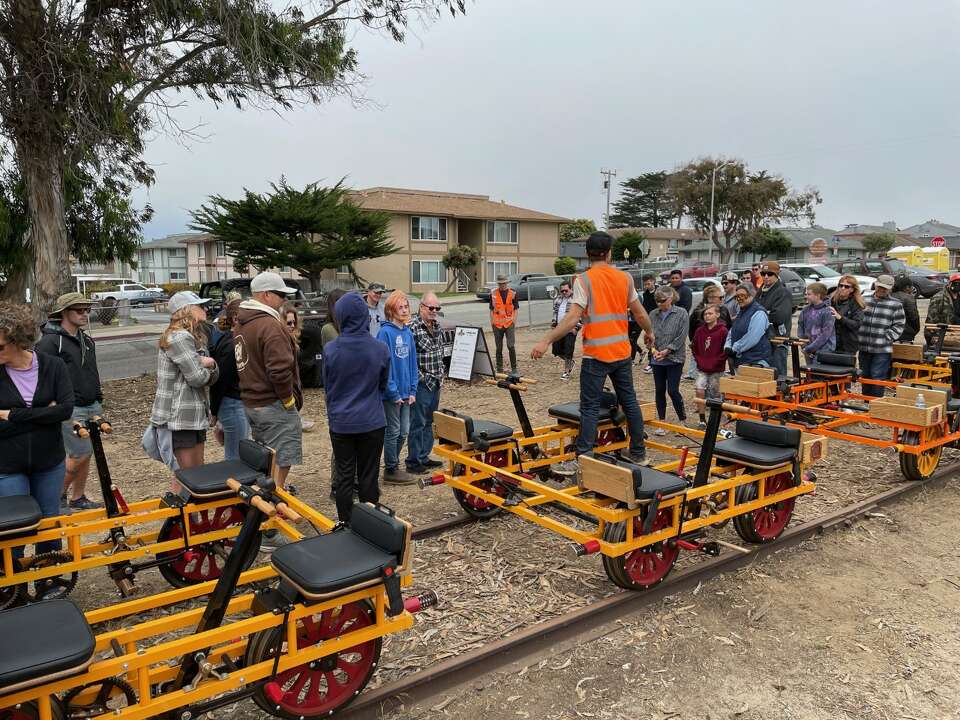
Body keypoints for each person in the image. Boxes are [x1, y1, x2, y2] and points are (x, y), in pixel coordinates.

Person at [531, 231, 654, 473]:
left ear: (587, 255)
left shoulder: (584, 280)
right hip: (621, 352)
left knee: (589, 407)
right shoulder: (625, 278)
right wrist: (649, 332)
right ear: (609, 253)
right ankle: (638, 452)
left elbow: (572, 318)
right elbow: (639, 314)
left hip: (596, 354)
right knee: (629, 401)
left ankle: (584, 457)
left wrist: (545, 340)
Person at [0, 301, 74, 560]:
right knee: (14, 526)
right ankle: (12, 586)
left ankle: (50, 580)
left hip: (49, 462)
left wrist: (13, 415)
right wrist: (45, 414)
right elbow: (55, 413)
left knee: (49, 522)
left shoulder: (53, 367)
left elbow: (65, 410)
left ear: (18, 339)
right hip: (7, 466)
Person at [235, 271, 302, 503]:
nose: (284, 299)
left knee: (265, 460)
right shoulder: (269, 325)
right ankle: (270, 518)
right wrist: (288, 400)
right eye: (280, 294)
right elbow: (279, 370)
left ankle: (260, 509)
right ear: (265, 295)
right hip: (272, 403)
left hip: (253, 401)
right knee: (280, 461)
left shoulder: (243, 323)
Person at [323, 292, 391, 522]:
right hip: (372, 420)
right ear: (364, 316)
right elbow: (383, 384)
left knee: (344, 477)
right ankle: (370, 525)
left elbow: (328, 387)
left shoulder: (331, 350)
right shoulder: (380, 348)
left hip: (342, 422)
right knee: (368, 477)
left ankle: (345, 523)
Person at [36, 292, 103, 512]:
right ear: (64, 313)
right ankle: (55, 499)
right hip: (68, 407)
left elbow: (91, 370)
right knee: (79, 454)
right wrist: (52, 403)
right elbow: (41, 376)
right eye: (79, 310)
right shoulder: (50, 342)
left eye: (87, 310)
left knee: (87, 454)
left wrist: (98, 396)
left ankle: (78, 497)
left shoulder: (86, 339)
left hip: (92, 404)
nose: (85, 314)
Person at [149, 291, 219, 476]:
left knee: (196, 473)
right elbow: (197, 378)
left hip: (191, 416)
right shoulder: (180, 337)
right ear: (186, 310)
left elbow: (204, 375)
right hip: (180, 418)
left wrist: (207, 365)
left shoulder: (189, 336)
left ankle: (196, 505)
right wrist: (210, 364)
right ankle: (182, 505)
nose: (205, 309)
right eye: (199, 305)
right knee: (188, 476)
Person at [376, 291, 418, 484]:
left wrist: (412, 390)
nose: (404, 310)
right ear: (391, 311)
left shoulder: (407, 332)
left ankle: (393, 464)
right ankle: (391, 469)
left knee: (404, 431)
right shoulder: (385, 333)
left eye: (406, 307)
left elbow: (412, 364)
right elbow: (384, 365)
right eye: (400, 307)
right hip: (391, 395)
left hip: (406, 394)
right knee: (393, 430)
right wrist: (392, 392)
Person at [406, 292, 445, 474]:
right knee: (417, 422)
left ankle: (424, 456)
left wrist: (441, 374)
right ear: (421, 307)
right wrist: (420, 377)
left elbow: (438, 352)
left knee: (430, 421)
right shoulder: (412, 327)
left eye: (437, 308)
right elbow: (409, 358)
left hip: (436, 382)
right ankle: (413, 461)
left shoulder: (436, 325)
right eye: (431, 308)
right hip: (422, 383)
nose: (434, 311)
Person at [209, 298, 249, 461]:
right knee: (235, 455)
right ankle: (233, 485)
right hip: (232, 404)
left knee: (238, 452)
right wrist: (214, 411)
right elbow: (219, 379)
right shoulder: (231, 344)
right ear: (235, 318)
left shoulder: (236, 339)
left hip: (236, 403)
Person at [319, 288, 350, 499]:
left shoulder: (343, 328)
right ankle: (336, 484)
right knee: (340, 441)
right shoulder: (329, 329)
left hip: (350, 389)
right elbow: (344, 353)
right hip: (339, 391)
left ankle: (349, 481)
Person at [649, 288, 689, 433]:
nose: (659, 304)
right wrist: (653, 349)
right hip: (657, 358)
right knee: (659, 390)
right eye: (657, 301)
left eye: (663, 301)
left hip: (675, 358)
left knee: (672, 390)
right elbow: (649, 335)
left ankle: (682, 421)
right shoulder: (653, 314)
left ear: (671, 299)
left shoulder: (681, 313)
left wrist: (667, 351)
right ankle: (662, 422)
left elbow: (681, 336)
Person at [857, 275, 905, 397]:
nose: (882, 290)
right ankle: (866, 402)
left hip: (882, 348)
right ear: (876, 285)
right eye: (880, 287)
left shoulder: (896, 304)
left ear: (890, 289)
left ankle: (876, 404)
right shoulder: (864, 299)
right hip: (863, 346)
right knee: (865, 374)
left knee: (877, 375)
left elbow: (899, 325)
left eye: (886, 288)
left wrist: (887, 337)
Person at [692, 304, 728, 428]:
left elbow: (725, 349)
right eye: (705, 314)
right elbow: (694, 346)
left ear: (717, 315)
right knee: (699, 390)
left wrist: (718, 361)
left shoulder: (723, 330)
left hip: (716, 368)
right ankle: (702, 419)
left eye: (710, 313)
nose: (707, 316)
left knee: (716, 394)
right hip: (702, 368)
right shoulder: (700, 330)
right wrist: (699, 360)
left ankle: (715, 420)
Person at [282, 304, 316, 432]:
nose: (292, 326)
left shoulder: (292, 340)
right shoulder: (280, 341)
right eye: (288, 323)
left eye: (293, 323)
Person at [756, 261, 793, 379]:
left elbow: (779, 316)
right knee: (764, 374)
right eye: (763, 273)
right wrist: (765, 313)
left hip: (778, 340)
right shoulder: (761, 291)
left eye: (770, 274)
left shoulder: (783, 292)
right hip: (763, 339)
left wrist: (761, 314)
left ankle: (780, 397)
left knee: (778, 376)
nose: (766, 276)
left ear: (777, 275)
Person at [724, 283, 772, 369]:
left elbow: (752, 337)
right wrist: (727, 346)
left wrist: (734, 348)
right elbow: (732, 331)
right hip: (741, 361)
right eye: (737, 296)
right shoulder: (741, 312)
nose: (739, 299)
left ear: (752, 295)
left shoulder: (759, 313)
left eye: (742, 295)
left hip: (755, 361)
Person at [797, 282, 836, 362]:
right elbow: (800, 327)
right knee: (809, 372)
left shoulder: (827, 311)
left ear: (818, 295)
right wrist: (804, 345)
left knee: (819, 373)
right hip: (807, 350)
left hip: (824, 350)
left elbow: (825, 335)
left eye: (809, 294)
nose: (806, 296)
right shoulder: (805, 310)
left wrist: (810, 348)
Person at [489, 273, 519, 374]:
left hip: (509, 323)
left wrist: (514, 321)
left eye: (504, 283)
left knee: (511, 345)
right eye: (501, 283)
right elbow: (491, 309)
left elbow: (516, 308)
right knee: (499, 348)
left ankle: (514, 369)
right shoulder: (493, 294)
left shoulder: (513, 293)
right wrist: (492, 322)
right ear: (498, 284)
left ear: (507, 283)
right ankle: (499, 369)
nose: (502, 285)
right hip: (497, 324)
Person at [551, 280, 580, 378]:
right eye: (562, 291)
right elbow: (555, 312)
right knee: (556, 350)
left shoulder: (576, 300)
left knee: (568, 350)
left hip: (570, 328)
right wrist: (553, 324)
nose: (564, 293)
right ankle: (570, 362)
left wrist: (576, 327)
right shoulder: (558, 299)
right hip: (559, 328)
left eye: (566, 291)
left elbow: (580, 314)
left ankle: (566, 372)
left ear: (571, 289)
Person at [829, 275, 865, 354]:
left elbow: (857, 324)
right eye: (841, 285)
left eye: (846, 287)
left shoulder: (856, 304)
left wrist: (840, 318)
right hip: (831, 342)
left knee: (845, 365)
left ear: (852, 289)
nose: (842, 288)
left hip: (848, 344)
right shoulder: (831, 301)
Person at [637, 274, 657, 371]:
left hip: (658, 321)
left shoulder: (659, 293)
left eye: (648, 284)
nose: (647, 286)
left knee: (656, 342)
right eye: (645, 284)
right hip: (649, 321)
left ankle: (654, 362)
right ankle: (652, 361)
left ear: (654, 281)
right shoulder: (645, 294)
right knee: (650, 342)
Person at [891, 275, 919, 343]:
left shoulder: (888, 295)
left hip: (889, 333)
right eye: (911, 287)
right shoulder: (909, 298)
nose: (912, 289)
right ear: (907, 287)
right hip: (905, 334)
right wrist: (915, 330)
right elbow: (914, 317)